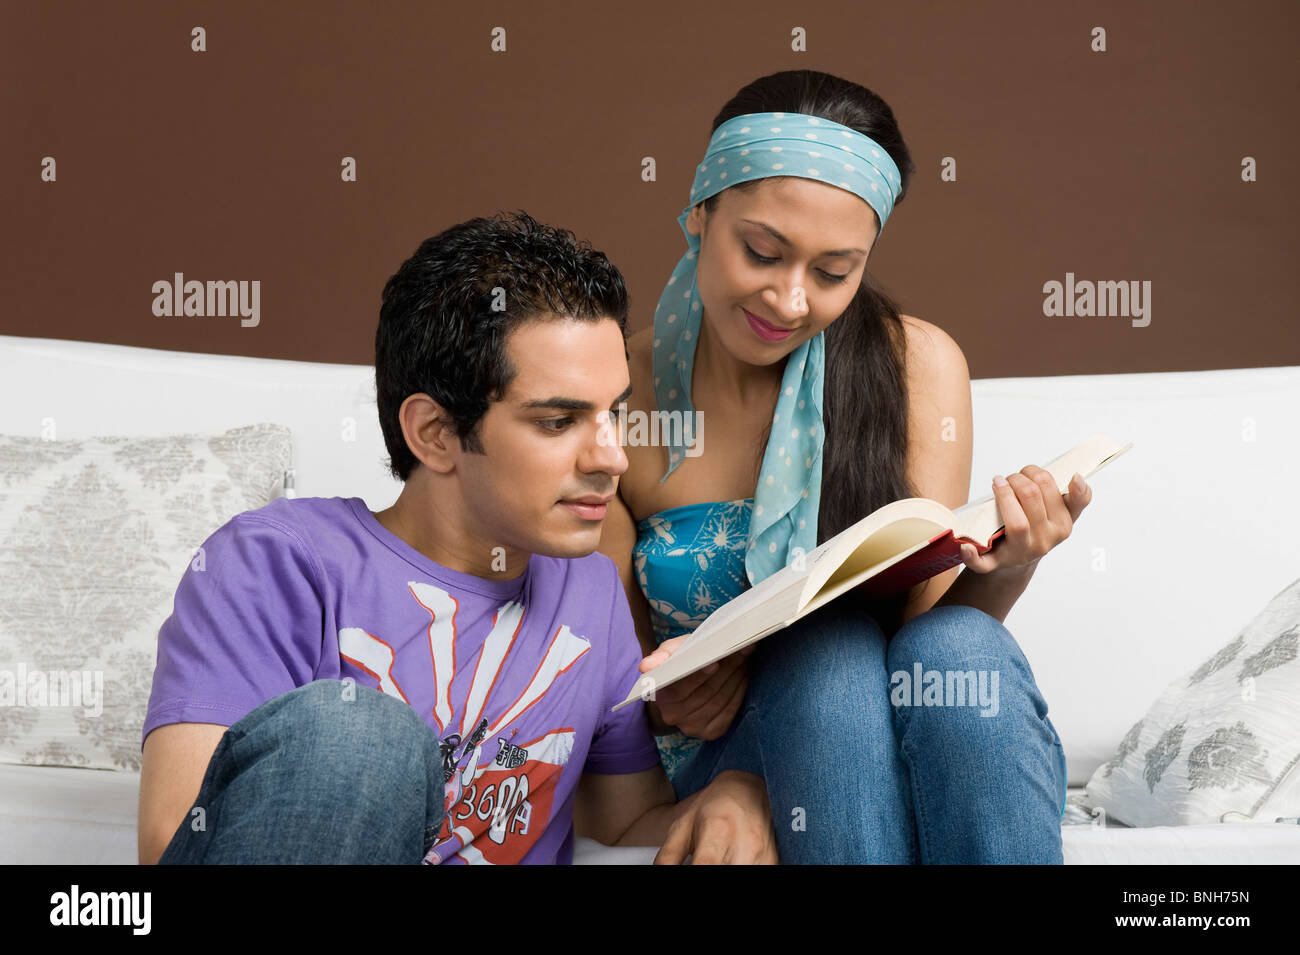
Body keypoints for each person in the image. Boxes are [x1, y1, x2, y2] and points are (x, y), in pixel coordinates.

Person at [136, 211, 777, 865]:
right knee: (361, 730)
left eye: (614, 412)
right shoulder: (271, 561)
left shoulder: (589, 594)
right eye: (559, 421)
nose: (612, 457)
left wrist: (733, 794)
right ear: (435, 433)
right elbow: (179, 838)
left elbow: (623, 825)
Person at [596, 70, 1094, 863]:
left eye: (833, 272)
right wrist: (670, 704)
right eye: (762, 251)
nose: (790, 300)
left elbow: (931, 638)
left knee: (961, 648)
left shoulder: (917, 363)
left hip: (890, 736)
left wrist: (1010, 565)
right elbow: (607, 686)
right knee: (823, 657)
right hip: (724, 754)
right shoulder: (616, 393)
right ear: (697, 213)